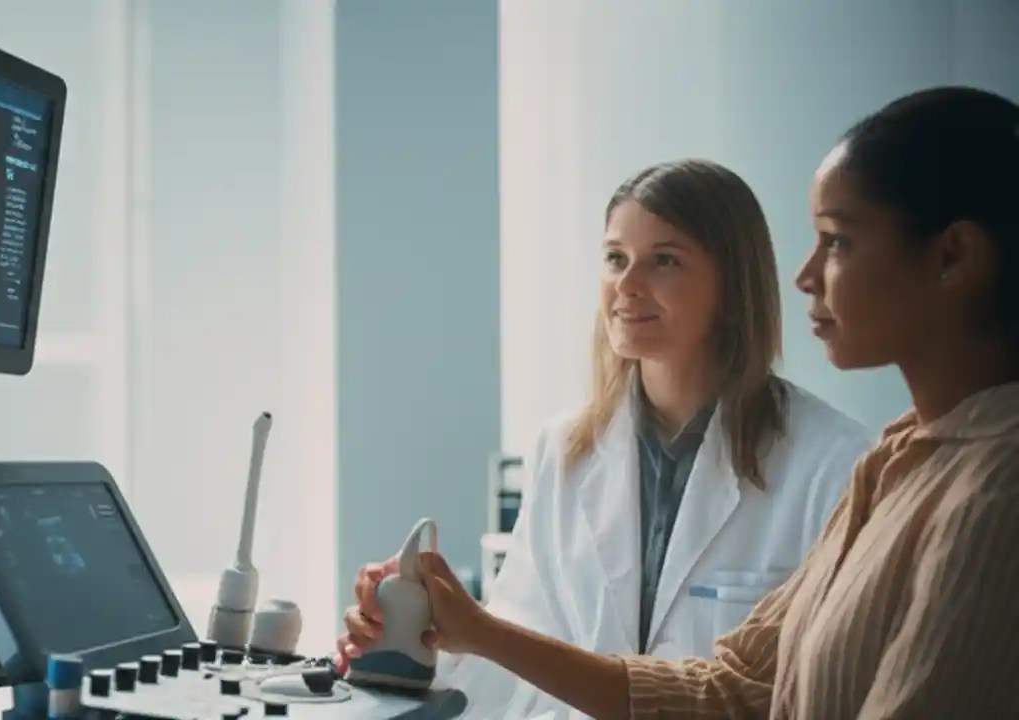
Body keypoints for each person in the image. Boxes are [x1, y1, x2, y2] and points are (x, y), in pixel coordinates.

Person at [354, 85, 1019, 719]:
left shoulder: (915, 475)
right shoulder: (898, 463)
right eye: (615, 259)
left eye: (837, 241)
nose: (806, 275)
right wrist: (431, 643)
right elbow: (732, 689)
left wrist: (478, 634)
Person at [337, 158, 873, 718]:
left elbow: (814, 693)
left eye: (664, 260)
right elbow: (513, 662)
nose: (627, 285)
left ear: (734, 284)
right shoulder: (563, 450)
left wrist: (478, 634)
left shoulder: (835, 465)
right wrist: (415, 642)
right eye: (616, 259)